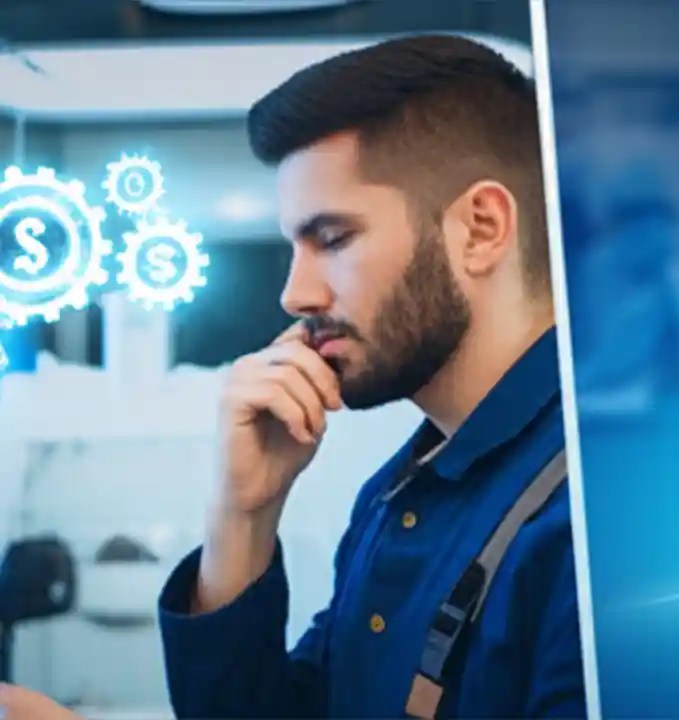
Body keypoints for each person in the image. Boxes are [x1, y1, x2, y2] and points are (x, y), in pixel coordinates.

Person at [128, 34, 577, 720]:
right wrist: (243, 514)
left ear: (481, 229)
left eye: (332, 239)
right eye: (293, 247)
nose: (294, 294)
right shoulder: (400, 492)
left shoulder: (599, 517)